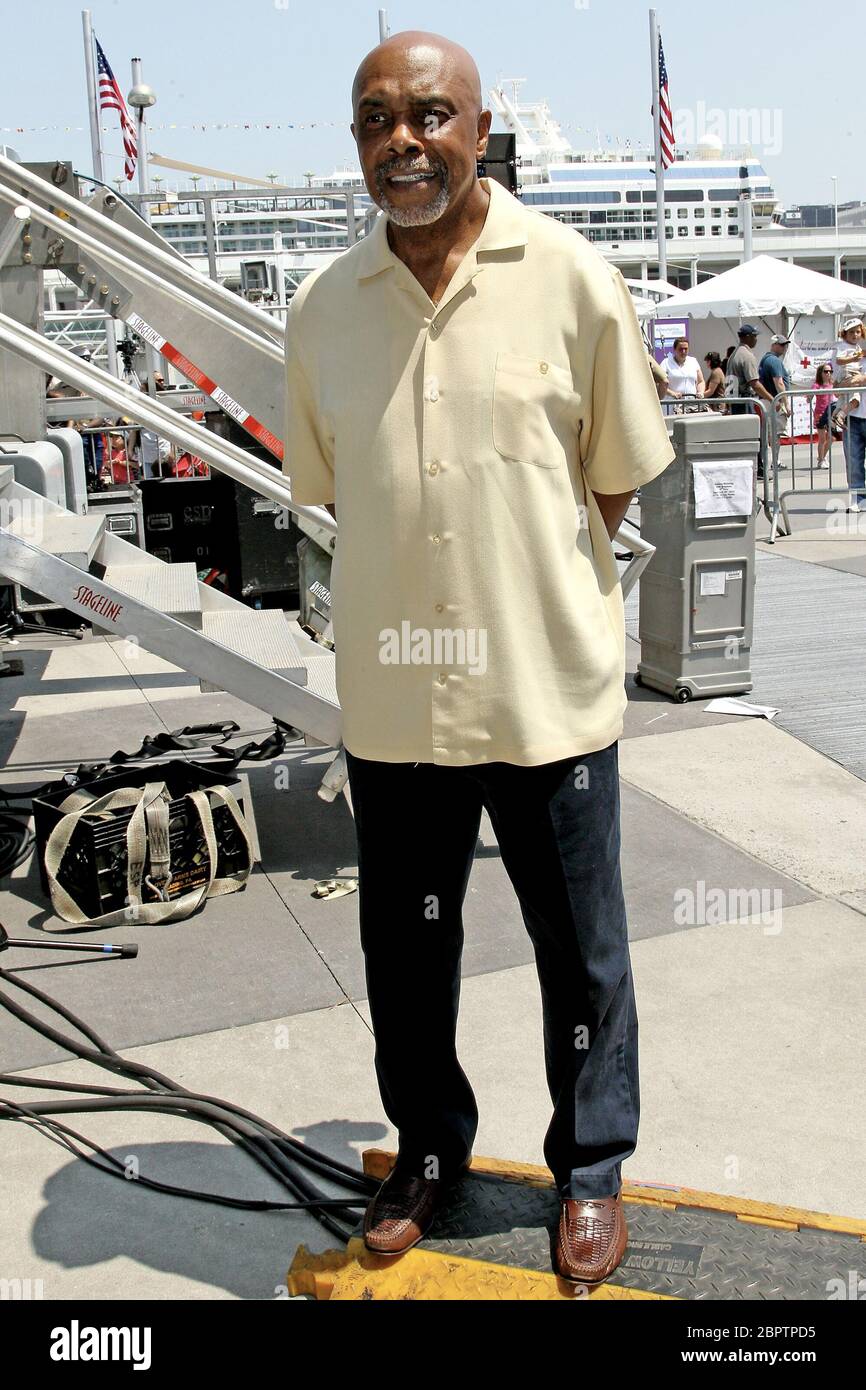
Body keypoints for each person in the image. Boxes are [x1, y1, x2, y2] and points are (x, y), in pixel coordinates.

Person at [283, 29, 675, 1286]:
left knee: (582, 953)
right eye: (376, 120)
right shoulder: (321, 310)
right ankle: (430, 1154)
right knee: (406, 952)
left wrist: (527, 593)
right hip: (397, 706)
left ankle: (591, 1167)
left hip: (544, 696)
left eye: (430, 114)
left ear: (479, 129)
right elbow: (340, 494)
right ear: (358, 144)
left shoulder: (570, 279)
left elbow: (608, 485)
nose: (404, 141)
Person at [725, 325, 775, 416]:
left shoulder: (733, 355)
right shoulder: (747, 356)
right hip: (745, 402)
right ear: (748, 337)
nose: (756, 339)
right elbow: (755, 384)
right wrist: (772, 400)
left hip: (734, 401)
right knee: (749, 429)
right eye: (754, 336)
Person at [662, 335, 704, 411]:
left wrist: (701, 392)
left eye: (686, 349)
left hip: (691, 405)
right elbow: (660, 383)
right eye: (680, 349)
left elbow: (701, 381)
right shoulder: (666, 363)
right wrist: (673, 393)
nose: (683, 351)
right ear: (674, 349)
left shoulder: (693, 361)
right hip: (672, 406)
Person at [758, 334, 792, 428]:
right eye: (781, 345)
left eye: (785, 345)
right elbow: (779, 383)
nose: (784, 347)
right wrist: (786, 404)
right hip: (774, 402)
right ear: (773, 345)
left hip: (769, 401)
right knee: (777, 432)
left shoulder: (766, 359)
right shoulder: (774, 360)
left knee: (770, 431)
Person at [812, 363, 837, 468]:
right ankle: (821, 460)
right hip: (820, 414)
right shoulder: (817, 385)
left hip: (831, 414)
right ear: (820, 373)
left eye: (830, 371)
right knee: (822, 439)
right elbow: (810, 393)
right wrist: (809, 397)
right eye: (826, 371)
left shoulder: (833, 384)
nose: (828, 373)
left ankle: (822, 456)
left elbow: (837, 395)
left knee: (833, 438)